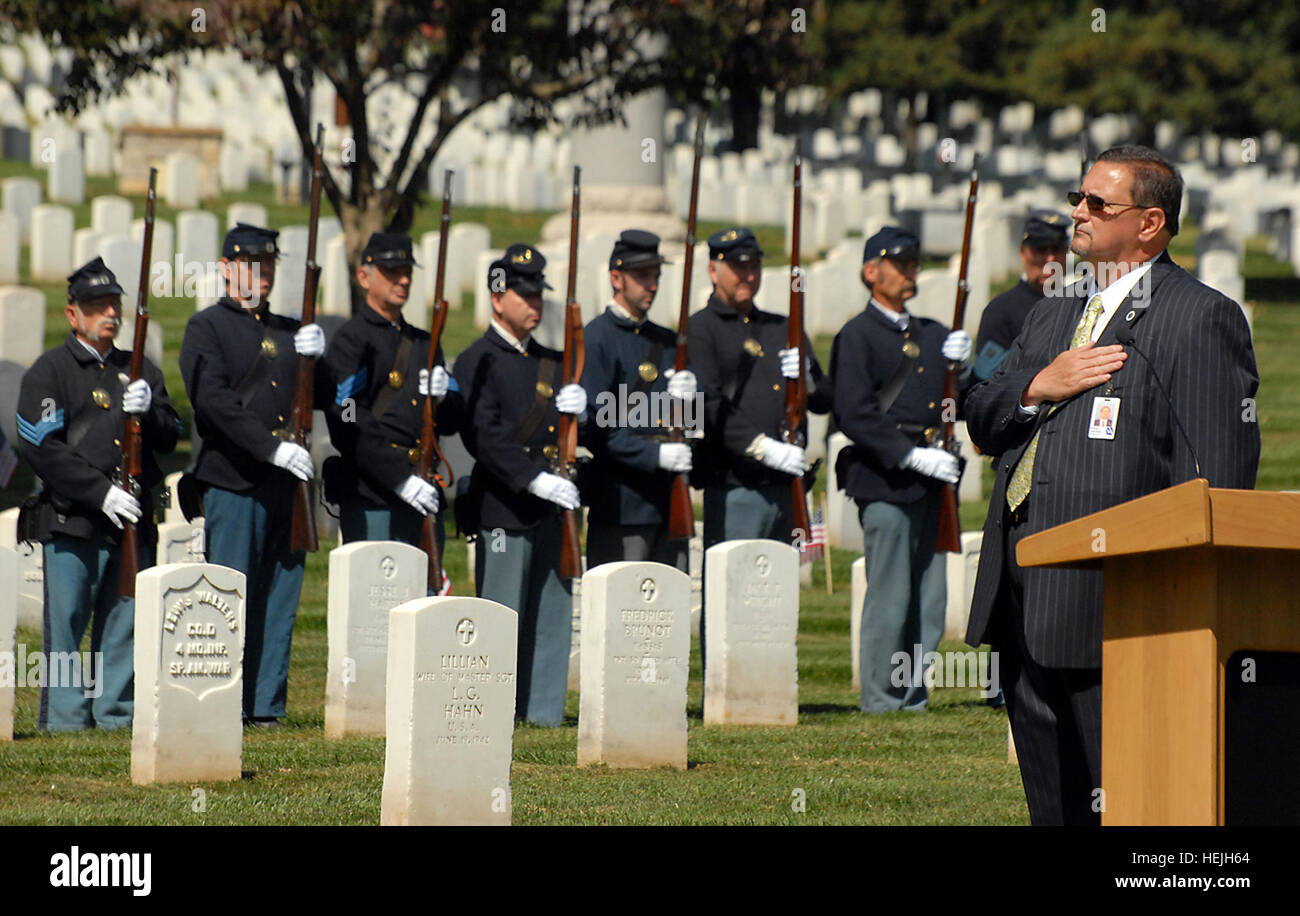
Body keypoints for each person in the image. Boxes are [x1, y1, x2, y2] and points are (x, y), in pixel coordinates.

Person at [964, 145, 1261, 825]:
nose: (1078, 213)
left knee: (1128, 807)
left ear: (1151, 223)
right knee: (1052, 804)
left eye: (1098, 203)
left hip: (1119, 610)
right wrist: (1040, 385)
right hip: (1022, 591)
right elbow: (982, 412)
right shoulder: (1054, 311)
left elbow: (1215, 481)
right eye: (1077, 197)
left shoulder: (1198, 317)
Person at [15, 256, 179, 731]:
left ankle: (116, 715)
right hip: (74, 517)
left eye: (113, 303)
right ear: (73, 315)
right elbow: (41, 447)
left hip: (131, 518)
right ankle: (65, 719)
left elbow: (172, 436)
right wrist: (100, 492)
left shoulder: (140, 367)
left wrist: (151, 411)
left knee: (125, 622)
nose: (109, 312)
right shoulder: (49, 372)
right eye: (96, 305)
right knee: (66, 625)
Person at [178, 222, 330, 727]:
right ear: (226, 270)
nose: (260, 274)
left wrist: (318, 360)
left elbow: (325, 399)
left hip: (285, 488)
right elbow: (213, 402)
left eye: (267, 265)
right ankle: (225, 701)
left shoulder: (289, 331)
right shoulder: (206, 328)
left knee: (280, 601)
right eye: (249, 264)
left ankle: (267, 707)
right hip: (234, 480)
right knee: (231, 599)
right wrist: (270, 449)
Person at [829, 227, 973, 713]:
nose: (910, 272)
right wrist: (907, 454)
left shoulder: (933, 334)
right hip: (887, 479)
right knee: (890, 595)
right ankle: (882, 697)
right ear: (872, 272)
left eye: (914, 265)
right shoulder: (857, 335)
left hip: (933, 479)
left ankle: (913, 694)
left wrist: (966, 367)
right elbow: (853, 412)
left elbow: (961, 401)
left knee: (930, 599)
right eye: (900, 264)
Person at [452, 243, 588, 726]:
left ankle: (544, 712)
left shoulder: (552, 363)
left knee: (552, 615)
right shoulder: (476, 362)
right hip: (504, 509)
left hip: (554, 508)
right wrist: (534, 480)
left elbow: (571, 434)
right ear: (497, 297)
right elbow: (484, 437)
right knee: (501, 616)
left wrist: (582, 411)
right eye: (524, 295)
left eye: (538, 296)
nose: (535, 305)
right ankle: (494, 711)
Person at [322, 231, 464, 588]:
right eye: (391, 271)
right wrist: (400, 477)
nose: (403, 279)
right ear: (364, 276)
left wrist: (446, 395)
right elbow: (347, 416)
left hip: (422, 487)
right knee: (376, 604)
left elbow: (449, 423)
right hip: (375, 494)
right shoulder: (352, 340)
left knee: (423, 605)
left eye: (407, 271)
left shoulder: (423, 343)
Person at [687, 226, 832, 549]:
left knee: (778, 592)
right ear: (714, 270)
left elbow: (823, 400)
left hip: (786, 481)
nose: (749, 276)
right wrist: (763, 448)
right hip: (736, 483)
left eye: (754, 267)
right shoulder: (700, 328)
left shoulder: (781, 327)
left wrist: (807, 378)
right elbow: (709, 403)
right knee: (736, 590)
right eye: (739, 268)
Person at [580, 229, 696, 572]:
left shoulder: (666, 340)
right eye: (643, 276)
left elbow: (689, 423)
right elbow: (599, 426)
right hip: (623, 504)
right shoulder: (597, 337)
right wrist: (655, 454)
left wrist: (693, 401)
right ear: (616, 278)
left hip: (669, 497)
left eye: (656, 276)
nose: (653, 285)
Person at [972, 210, 1070, 383]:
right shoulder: (1001, 310)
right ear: (1023, 253)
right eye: (1040, 250)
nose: (1050, 259)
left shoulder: (1077, 302)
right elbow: (986, 379)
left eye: (1057, 249)